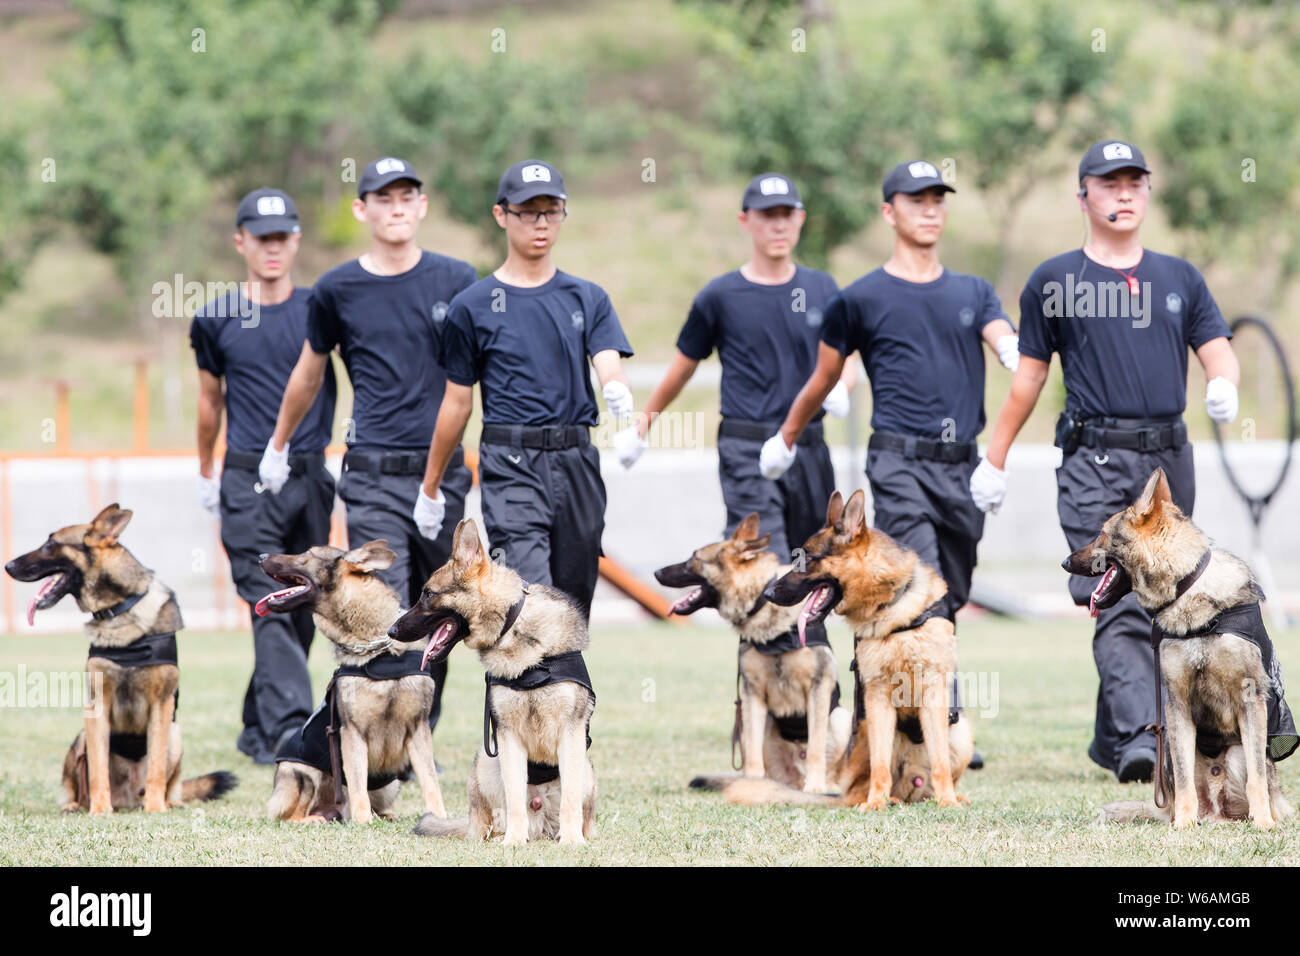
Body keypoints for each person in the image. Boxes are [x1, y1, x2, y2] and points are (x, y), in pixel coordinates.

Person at [970, 140, 1239, 782]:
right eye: (1109, 183)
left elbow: (1217, 346)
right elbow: (1030, 379)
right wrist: (996, 458)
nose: (1123, 194)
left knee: (1166, 601)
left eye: (1135, 183)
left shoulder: (1179, 278)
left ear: (1147, 192)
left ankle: (1113, 734)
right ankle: (1143, 739)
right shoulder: (1054, 281)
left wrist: (1223, 383)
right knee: (1115, 598)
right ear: (1083, 193)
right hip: (1094, 458)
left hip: (1167, 466)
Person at [764, 160, 1023, 769]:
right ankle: (932, 727)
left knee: (950, 592)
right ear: (890, 211)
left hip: (962, 466)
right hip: (899, 459)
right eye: (916, 199)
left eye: (938, 198)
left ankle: (920, 724)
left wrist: (1014, 350)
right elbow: (823, 377)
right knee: (919, 586)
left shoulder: (972, 290)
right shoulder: (861, 298)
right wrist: (787, 436)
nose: (929, 208)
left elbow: (1000, 332)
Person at [263, 158, 478, 733]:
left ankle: (418, 731)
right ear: (363, 209)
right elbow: (309, 372)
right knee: (387, 604)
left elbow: (478, 369)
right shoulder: (337, 289)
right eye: (384, 198)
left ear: (423, 205)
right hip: (372, 468)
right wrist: (278, 445)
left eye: (408, 195)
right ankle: (381, 747)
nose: (397, 207)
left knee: (443, 604)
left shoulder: (458, 280)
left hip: (442, 470)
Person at [416, 159, 634, 618]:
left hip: (576, 459)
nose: (541, 222)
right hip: (512, 462)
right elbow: (457, 403)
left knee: (573, 603)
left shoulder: (586, 297)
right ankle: (512, 691)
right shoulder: (471, 307)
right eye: (528, 211)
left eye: (551, 210)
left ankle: (570, 692)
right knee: (527, 599)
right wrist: (431, 486)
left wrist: (617, 392)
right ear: (502, 215)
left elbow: (607, 360)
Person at [623, 172, 854, 559]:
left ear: (800, 218)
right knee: (764, 564)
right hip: (747, 447)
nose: (778, 224)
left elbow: (844, 357)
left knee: (817, 564)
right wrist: (642, 425)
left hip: (809, 445)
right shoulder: (721, 296)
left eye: (787, 213)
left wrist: (843, 386)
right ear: (745, 220)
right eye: (767, 214)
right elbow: (684, 367)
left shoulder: (822, 289)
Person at [192, 188, 337, 763]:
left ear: (296, 239)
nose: (273, 248)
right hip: (247, 477)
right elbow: (209, 402)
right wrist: (206, 471)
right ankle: (291, 733)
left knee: (305, 603)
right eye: (261, 238)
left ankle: (256, 720)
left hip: (309, 473)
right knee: (270, 598)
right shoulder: (215, 318)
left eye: (282, 237)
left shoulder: (321, 309)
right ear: (241, 242)